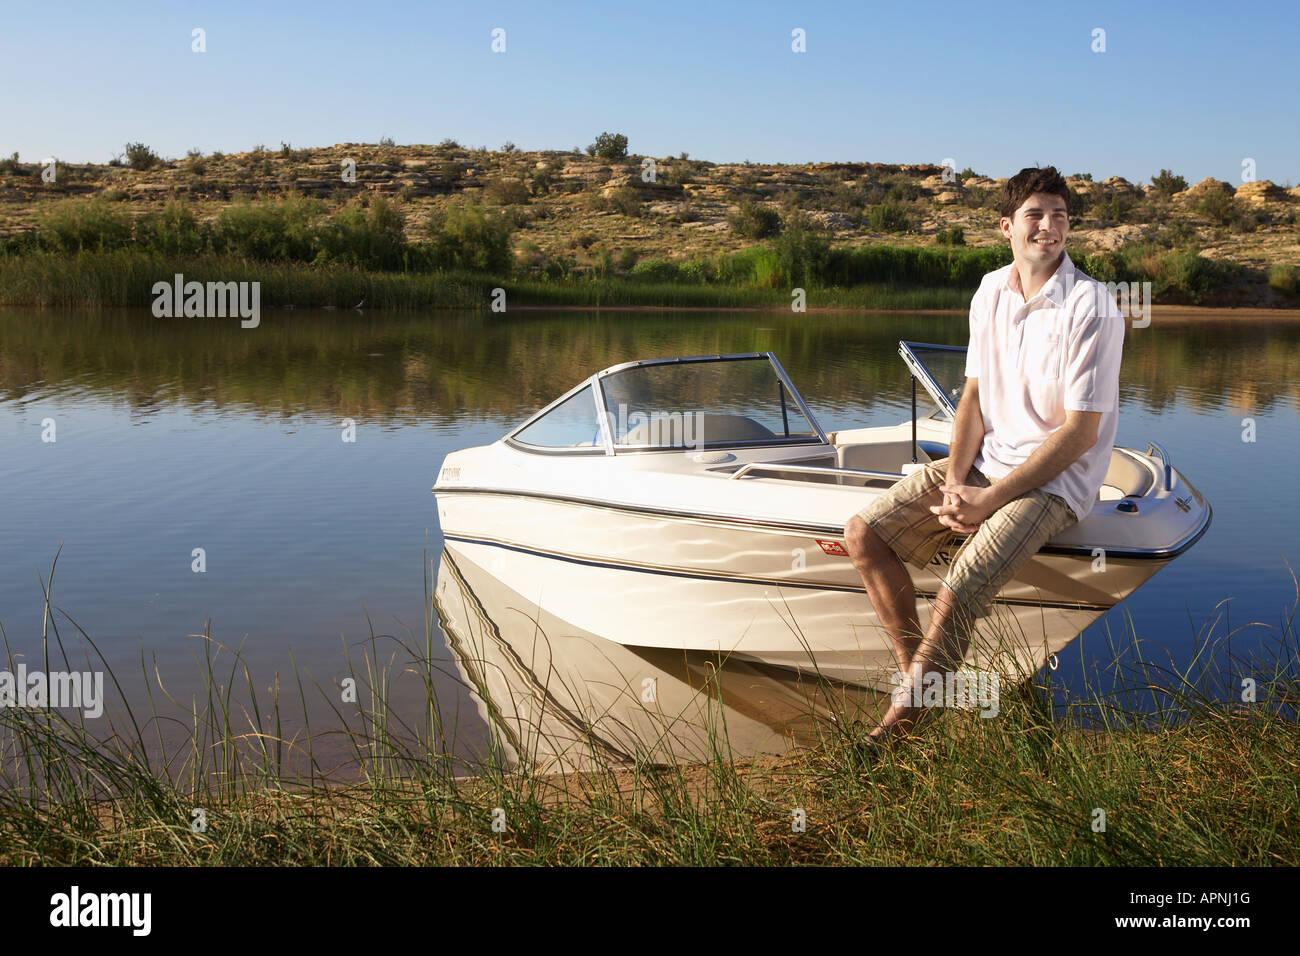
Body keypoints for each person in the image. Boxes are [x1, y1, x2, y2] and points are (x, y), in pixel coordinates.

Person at [843, 165, 1125, 751]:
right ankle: (921, 685)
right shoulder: (989, 290)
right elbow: (973, 395)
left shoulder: (1092, 306)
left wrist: (990, 499)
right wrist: (954, 483)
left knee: (962, 581)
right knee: (862, 534)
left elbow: (1079, 434)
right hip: (982, 463)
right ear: (1007, 226)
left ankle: (901, 726)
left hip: (1056, 483)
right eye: (1035, 215)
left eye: (1061, 216)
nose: (1050, 227)